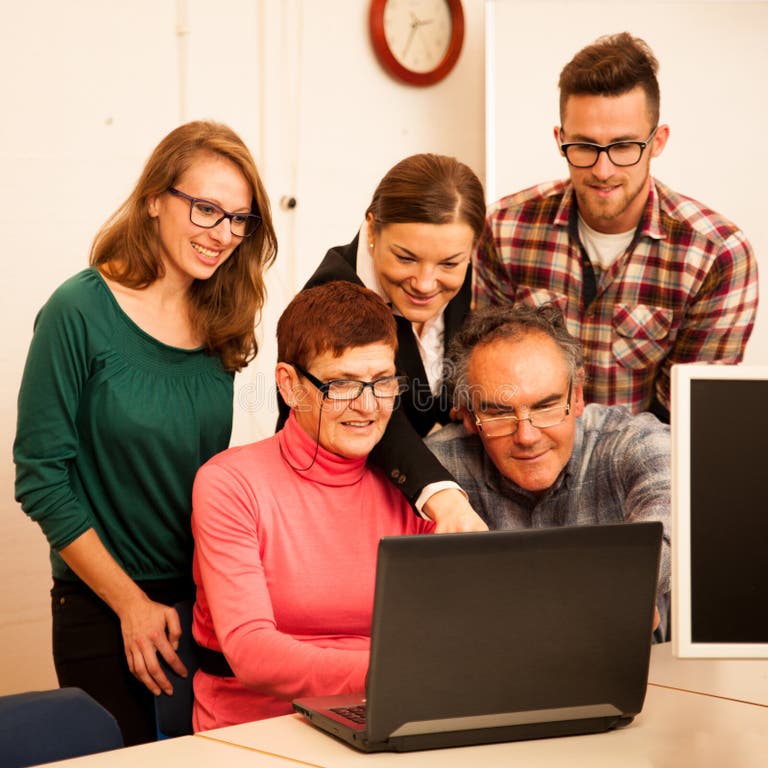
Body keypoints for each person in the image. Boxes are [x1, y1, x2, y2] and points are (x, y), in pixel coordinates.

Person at [13, 120, 277, 745]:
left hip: (204, 598)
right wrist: (130, 603)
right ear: (155, 198)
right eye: (206, 209)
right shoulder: (77, 312)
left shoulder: (223, 318)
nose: (222, 235)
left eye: (239, 220)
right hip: (102, 605)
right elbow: (40, 478)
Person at [474, 32, 758, 423]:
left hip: (643, 466)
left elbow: (684, 418)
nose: (602, 171)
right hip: (521, 456)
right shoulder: (505, 229)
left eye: (624, 146)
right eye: (585, 147)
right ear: (560, 140)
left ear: (658, 141)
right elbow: (488, 381)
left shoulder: (717, 256)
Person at [191, 281, 435, 730]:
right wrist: (396, 673)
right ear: (290, 386)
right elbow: (251, 651)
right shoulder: (230, 484)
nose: (367, 406)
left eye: (382, 382)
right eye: (341, 384)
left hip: (386, 719)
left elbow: (444, 632)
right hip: (256, 730)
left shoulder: (414, 489)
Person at [425, 302, 671, 638]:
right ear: (468, 415)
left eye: (546, 406)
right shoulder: (434, 469)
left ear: (579, 396)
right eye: (499, 413)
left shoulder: (633, 444)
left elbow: (673, 532)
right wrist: (615, 593)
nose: (526, 436)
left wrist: (636, 576)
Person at [284, 153, 488, 532]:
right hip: (333, 510)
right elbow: (372, 410)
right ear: (373, 230)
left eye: (449, 264)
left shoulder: (454, 258)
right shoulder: (329, 294)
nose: (426, 283)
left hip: (415, 511)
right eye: (406, 258)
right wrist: (442, 496)